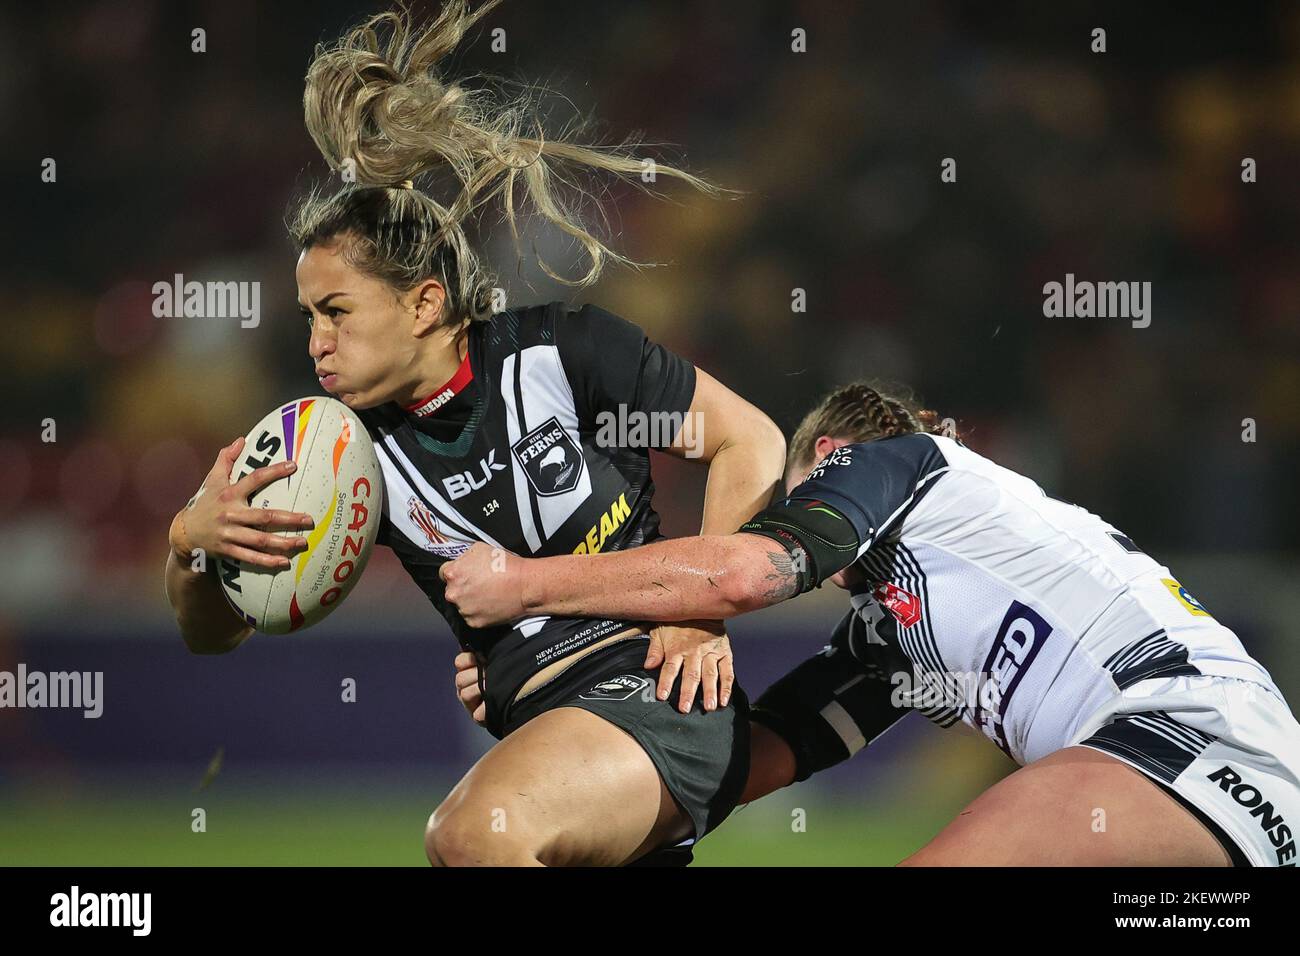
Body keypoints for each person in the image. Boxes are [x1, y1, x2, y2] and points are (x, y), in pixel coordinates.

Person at [164, 0, 787, 866]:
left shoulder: (565, 351)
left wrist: (701, 611)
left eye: (337, 311)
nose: (315, 342)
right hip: (554, 735)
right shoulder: (338, 454)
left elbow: (750, 440)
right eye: (307, 316)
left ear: (425, 303)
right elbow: (215, 630)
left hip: (653, 697)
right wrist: (191, 544)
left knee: (473, 834)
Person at [441, 380, 1300, 866]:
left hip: (1193, 742)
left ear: (827, 464)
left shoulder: (900, 465)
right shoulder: (899, 628)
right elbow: (748, 757)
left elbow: (742, 573)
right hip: (1223, 795)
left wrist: (525, 587)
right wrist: (563, 737)